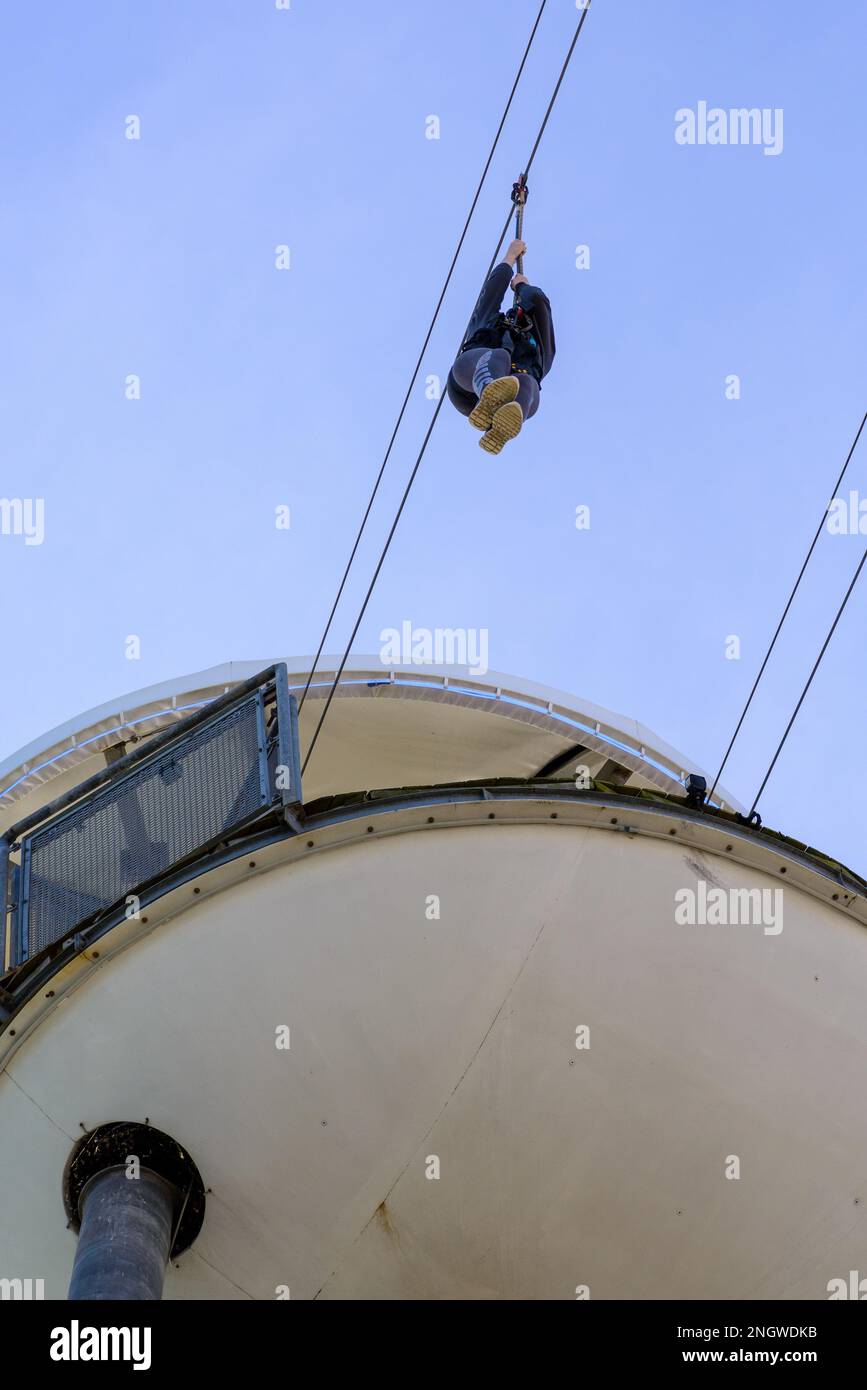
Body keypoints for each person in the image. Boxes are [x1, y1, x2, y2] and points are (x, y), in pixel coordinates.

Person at [447, 238, 555, 455]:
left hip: (514, 396)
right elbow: (492, 291)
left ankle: (504, 423)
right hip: (468, 384)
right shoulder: (488, 323)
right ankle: (489, 391)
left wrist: (523, 286)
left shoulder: (538, 348)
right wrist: (509, 259)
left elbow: (538, 300)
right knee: (500, 356)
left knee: (526, 382)